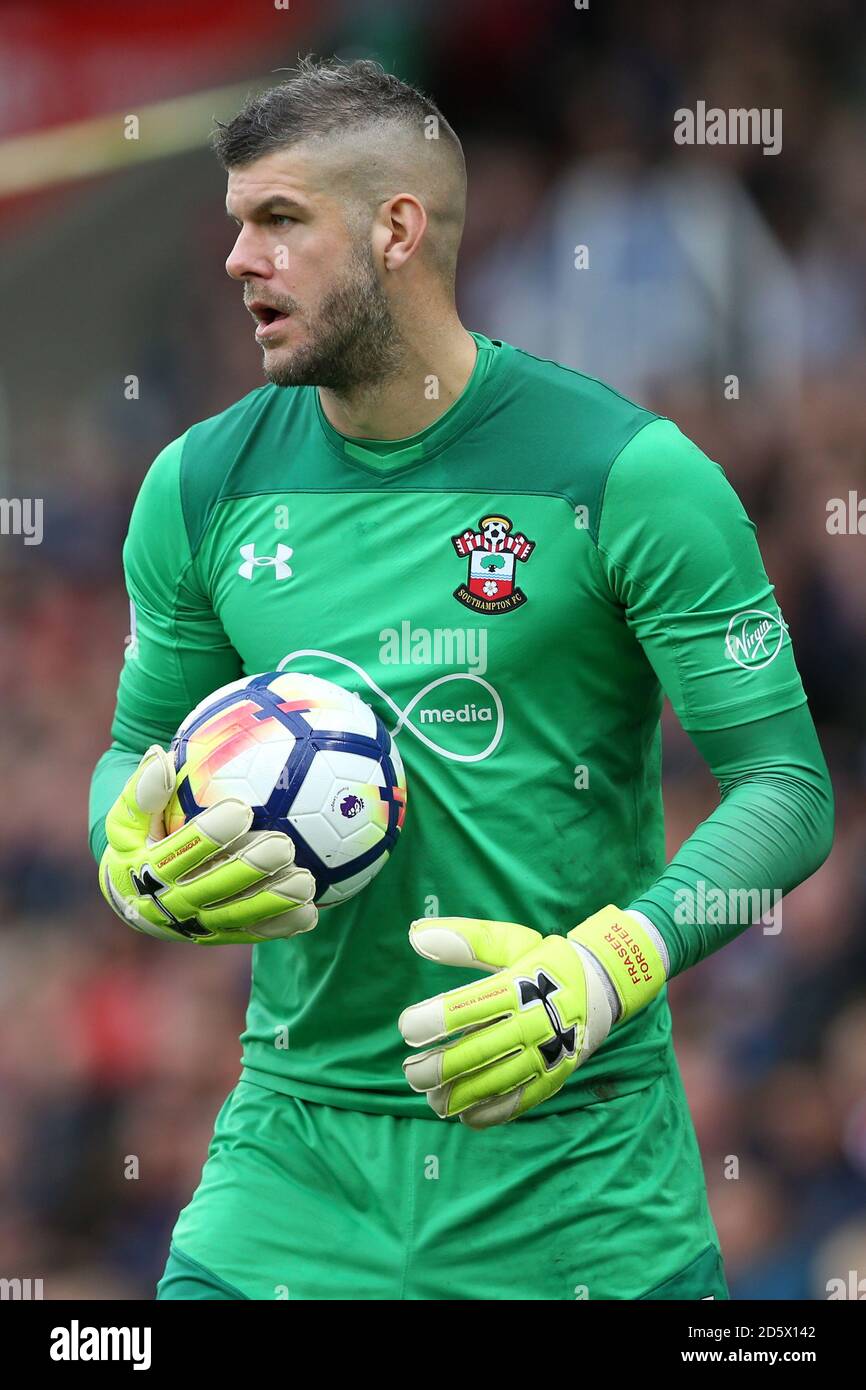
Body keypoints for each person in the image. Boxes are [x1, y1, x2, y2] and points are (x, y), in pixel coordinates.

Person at [89, 57, 833, 1300]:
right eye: (234, 225)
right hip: (291, 1171)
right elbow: (134, 750)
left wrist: (615, 962)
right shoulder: (198, 485)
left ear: (396, 230)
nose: (237, 261)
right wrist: (128, 861)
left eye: (278, 221)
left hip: (580, 1190)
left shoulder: (625, 471)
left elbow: (786, 789)